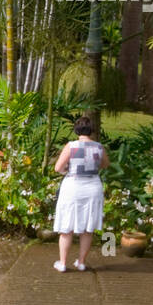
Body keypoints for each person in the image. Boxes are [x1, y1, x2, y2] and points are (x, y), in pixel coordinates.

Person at [51, 115, 108, 272]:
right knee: (87, 228)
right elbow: (105, 164)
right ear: (92, 130)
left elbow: (58, 167)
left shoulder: (71, 146)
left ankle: (62, 263)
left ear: (76, 129)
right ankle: (81, 262)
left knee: (66, 227)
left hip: (73, 186)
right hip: (93, 187)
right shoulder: (99, 147)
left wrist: (66, 171)